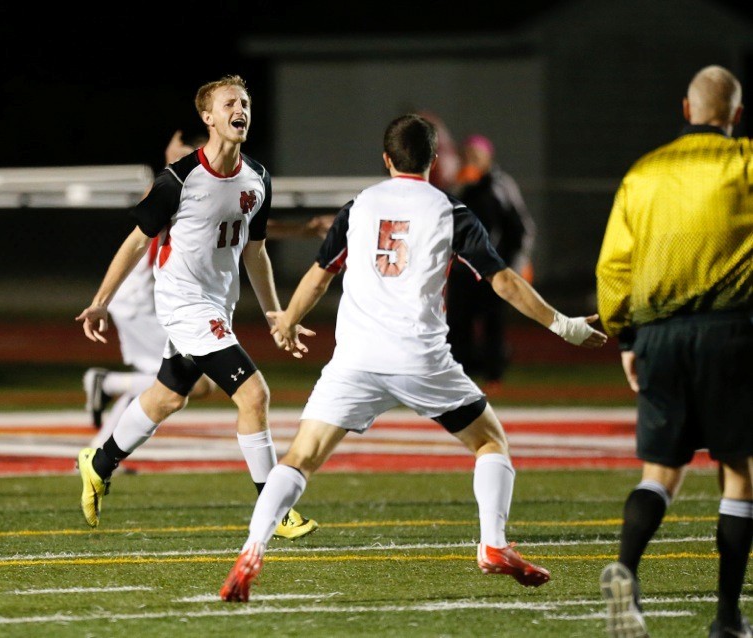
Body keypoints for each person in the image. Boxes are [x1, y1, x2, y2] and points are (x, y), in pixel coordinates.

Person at [219, 113, 607, 602]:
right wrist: (564, 325)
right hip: (421, 359)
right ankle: (492, 543)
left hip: (356, 359)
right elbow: (505, 282)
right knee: (490, 442)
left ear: (387, 159)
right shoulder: (451, 211)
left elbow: (319, 275)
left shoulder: (359, 206)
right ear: (435, 159)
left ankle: (253, 548)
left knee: (300, 458)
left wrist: (288, 321)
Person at [74, 74, 318, 540]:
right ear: (207, 117)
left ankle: (99, 462)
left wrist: (276, 314)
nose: (240, 110)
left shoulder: (258, 178)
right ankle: (275, 508)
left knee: (169, 395)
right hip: (183, 303)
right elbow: (135, 242)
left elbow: (256, 252)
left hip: (218, 305)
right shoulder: (179, 179)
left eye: (244, 103)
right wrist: (100, 302)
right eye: (229, 104)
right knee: (254, 395)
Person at [595, 65, 753, 638]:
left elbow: (614, 266)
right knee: (739, 472)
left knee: (660, 471)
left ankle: (627, 572)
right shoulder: (747, 163)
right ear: (736, 115)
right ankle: (728, 616)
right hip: (731, 331)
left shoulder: (644, 172)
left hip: (659, 335)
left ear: (686, 110)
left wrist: (626, 336)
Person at [83, 130, 217, 447]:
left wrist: (302, 229)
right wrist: (171, 167)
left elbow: (246, 227)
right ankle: (107, 383)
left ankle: (98, 449)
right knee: (194, 383)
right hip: (140, 300)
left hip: (147, 299)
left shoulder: (210, 193)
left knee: (161, 384)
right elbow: (150, 205)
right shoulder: (180, 187)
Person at [445, 134, 535, 389]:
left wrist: (517, 262)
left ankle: (494, 375)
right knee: (458, 323)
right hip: (462, 268)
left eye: (476, 155)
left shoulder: (500, 184)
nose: (471, 160)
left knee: (493, 322)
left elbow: (522, 226)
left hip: (492, 268)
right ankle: (462, 375)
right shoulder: (457, 185)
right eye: (467, 155)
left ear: (488, 158)